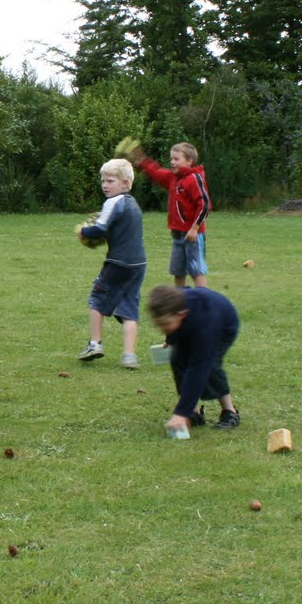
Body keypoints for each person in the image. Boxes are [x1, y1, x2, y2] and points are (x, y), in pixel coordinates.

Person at [77, 158, 147, 369]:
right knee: (130, 308)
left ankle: (95, 344)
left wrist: (83, 232)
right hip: (139, 264)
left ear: (125, 183)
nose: (105, 185)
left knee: (97, 298)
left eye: (110, 181)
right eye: (103, 181)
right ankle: (129, 356)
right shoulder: (133, 204)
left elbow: (99, 229)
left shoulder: (112, 203)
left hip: (118, 262)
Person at [148, 284, 241, 433]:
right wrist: (170, 338)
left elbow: (199, 368)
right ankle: (194, 413)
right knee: (178, 360)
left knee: (210, 368)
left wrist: (180, 413)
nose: (162, 328)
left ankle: (230, 412)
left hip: (223, 326)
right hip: (191, 323)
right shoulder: (175, 301)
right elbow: (184, 289)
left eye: (165, 324)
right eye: (159, 325)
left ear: (182, 314)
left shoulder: (206, 325)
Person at [130, 141, 211, 288]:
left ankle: (203, 301)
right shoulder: (173, 178)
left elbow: (205, 205)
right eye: (171, 159)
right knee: (178, 271)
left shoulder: (194, 178)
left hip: (193, 235)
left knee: (196, 271)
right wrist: (142, 161)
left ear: (189, 161)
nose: (172, 162)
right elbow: (156, 172)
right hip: (177, 235)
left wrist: (194, 228)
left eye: (176, 159)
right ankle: (179, 303)